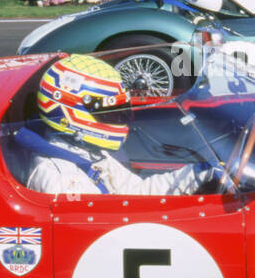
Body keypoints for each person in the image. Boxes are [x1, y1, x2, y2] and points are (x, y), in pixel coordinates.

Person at [25, 55, 216, 196]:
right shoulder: (62, 178)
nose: (121, 119)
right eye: (110, 113)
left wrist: (199, 173)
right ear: (71, 112)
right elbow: (106, 233)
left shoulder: (87, 151)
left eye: (120, 110)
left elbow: (136, 193)